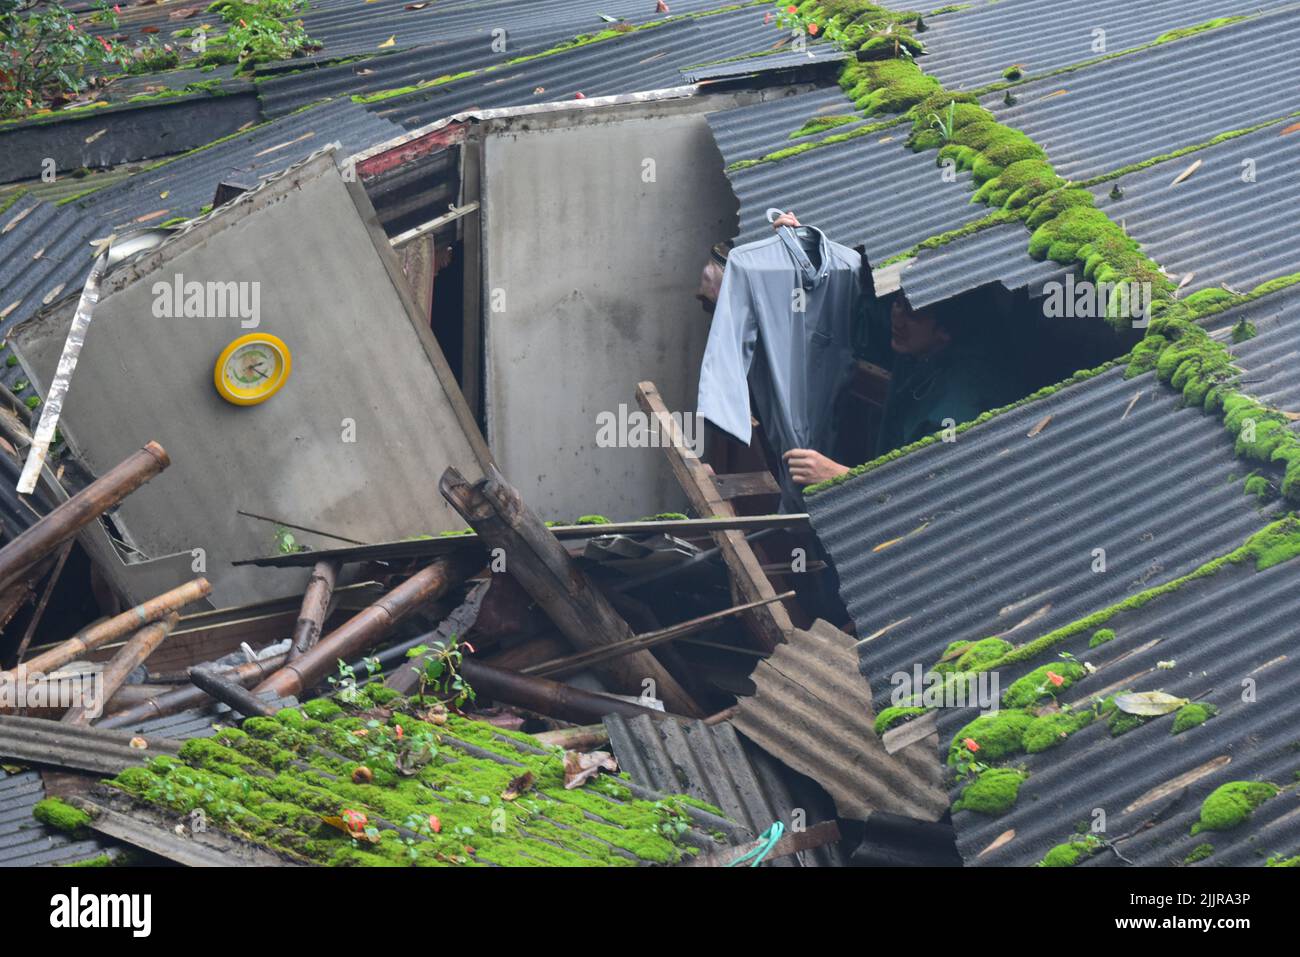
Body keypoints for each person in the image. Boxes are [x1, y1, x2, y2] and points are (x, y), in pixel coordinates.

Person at [770, 212, 1014, 487]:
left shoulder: (956, 412)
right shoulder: (919, 348)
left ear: (945, 331)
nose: (897, 315)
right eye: (898, 301)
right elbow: (859, 316)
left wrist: (840, 476)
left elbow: (923, 496)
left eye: (911, 311)